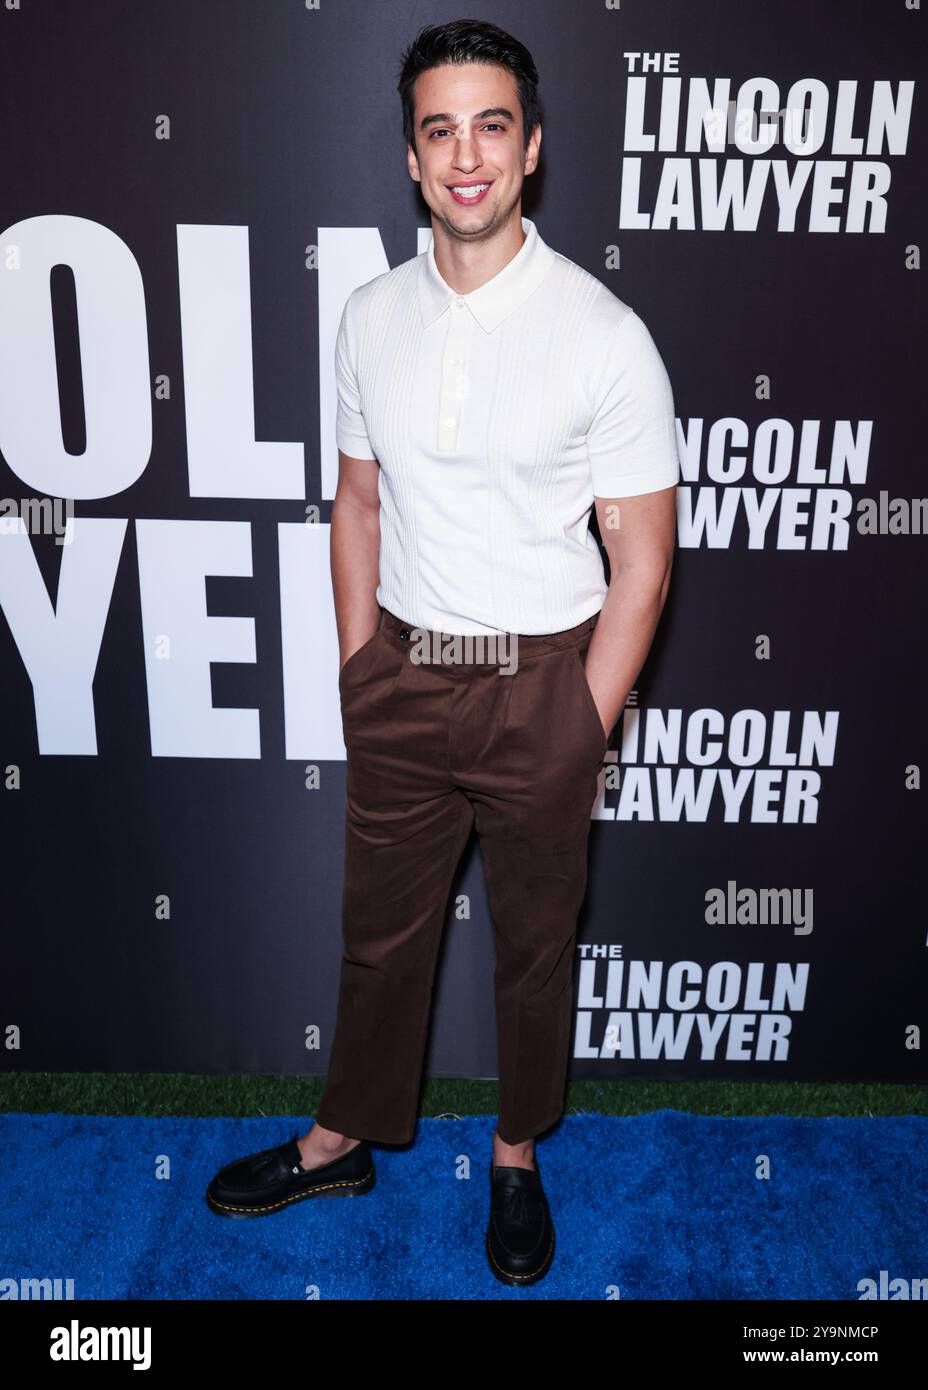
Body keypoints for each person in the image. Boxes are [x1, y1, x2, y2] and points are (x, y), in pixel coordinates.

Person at [207, 17, 679, 1287]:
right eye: (437, 129)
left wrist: (578, 715)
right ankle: (340, 1135)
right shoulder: (368, 317)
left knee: (533, 944)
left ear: (529, 148)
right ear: (413, 160)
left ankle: (516, 1153)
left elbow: (642, 563)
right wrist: (365, 667)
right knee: (378, 935)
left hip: (546, 685)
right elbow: (354, 503)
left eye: (489, 125)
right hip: (406, 676)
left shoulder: (602, 333)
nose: (463, 155)